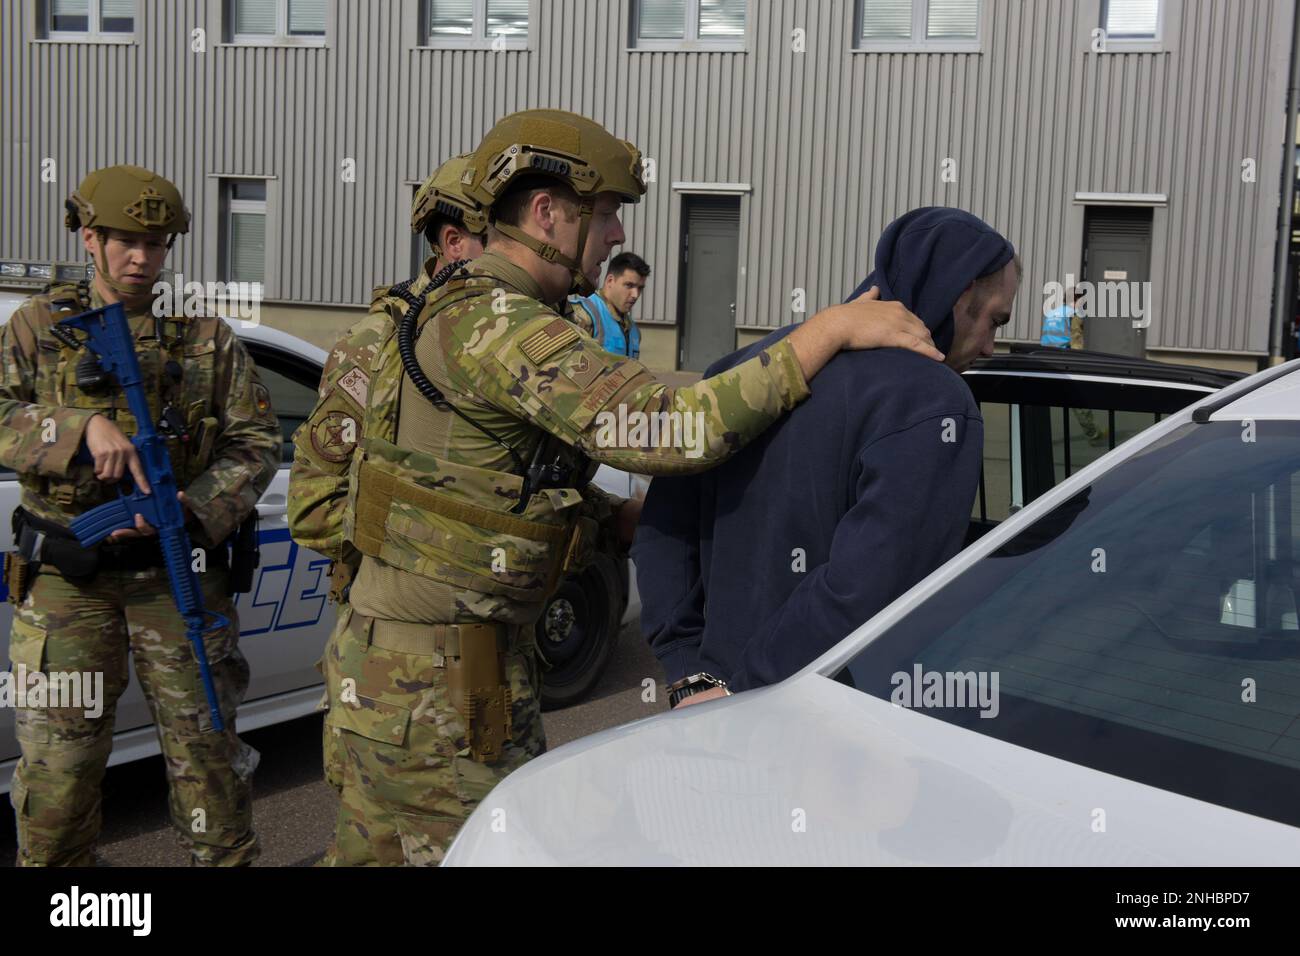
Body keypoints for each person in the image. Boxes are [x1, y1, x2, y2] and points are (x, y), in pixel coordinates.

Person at [325, 108, 942, 865]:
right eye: (608, 212)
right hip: (440, 690)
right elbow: (672, 428)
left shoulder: (447, 308)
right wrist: (829, 333)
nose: (618, 235)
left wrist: (609, 519)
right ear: (548, 214)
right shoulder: (503, 324)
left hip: (399, 673)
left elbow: (468, 481)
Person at [1, 164, 281, 865]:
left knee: (208, 758)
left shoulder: (202, 337)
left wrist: (192, 506)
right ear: (89, 237)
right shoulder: (39, 328)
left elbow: (256, 443)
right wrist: (76, 429)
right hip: (69, 585)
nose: (142, 258)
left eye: (157, 245)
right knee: (57, 773)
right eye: (127, 241)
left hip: (173, 574)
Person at [633, 207, 1021, 707]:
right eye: (996, 320)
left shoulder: (750, 365)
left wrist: (692, 673)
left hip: (713, 706)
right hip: (824, 720)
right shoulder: (935, 402)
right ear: (961, 293)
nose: (991, 347)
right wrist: (749, 692)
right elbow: (864, 592)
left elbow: (664, 527)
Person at [285, 154, 487, 860]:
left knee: (474, 835)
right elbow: (312, 510)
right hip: (390, 663)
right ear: (453, 241)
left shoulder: (511, 344)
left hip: (485, 665)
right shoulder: (376, 345)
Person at [569, 251, 649, 358]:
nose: (635, 294)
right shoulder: (582, 315)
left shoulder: (634, 331)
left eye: (640, 288)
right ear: (610, 281)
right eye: (629, 285)